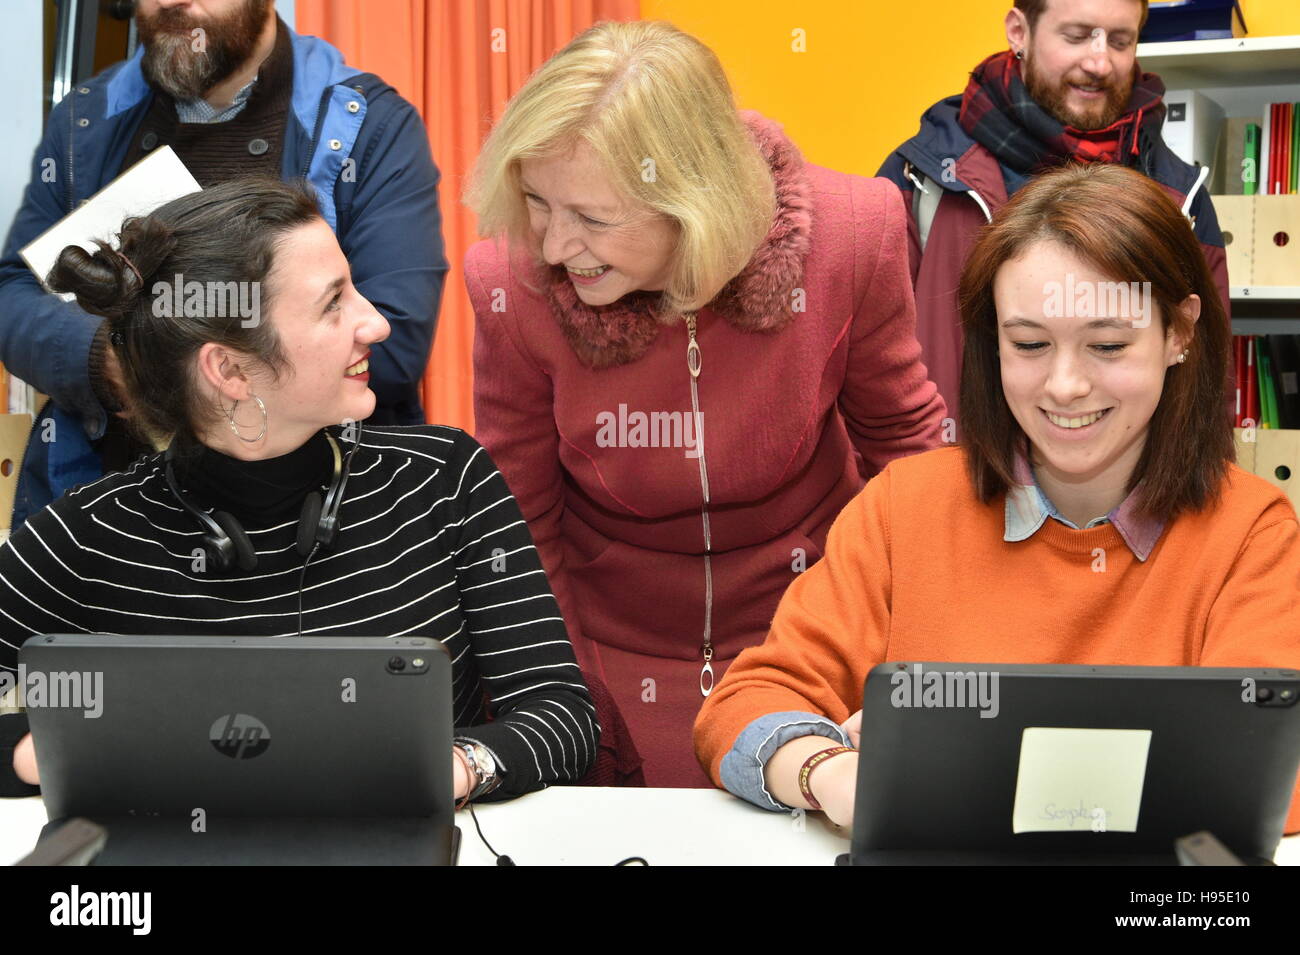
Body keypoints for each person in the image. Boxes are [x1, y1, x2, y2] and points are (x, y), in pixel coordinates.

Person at [694, 163, 1300, 833]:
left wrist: (973, 767)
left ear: (1179, 333)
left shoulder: (1251, 529)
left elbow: (1268, 770)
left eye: (1106, 344)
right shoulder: (905, 507)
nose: (1064, 384)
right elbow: (743, 706)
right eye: (1030, 343)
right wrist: (830, 772)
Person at [0, 178, 595, 803]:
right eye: (333, 303)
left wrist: (455, 767)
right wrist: (36, 750)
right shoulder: (87, 536)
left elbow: (563, 716)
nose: (376, 324)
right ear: (229, 370)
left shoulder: (444, 480)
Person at [464, 20, 946, 787]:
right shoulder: (509, 281)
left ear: (693, 198)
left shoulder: (855, 234)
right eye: (536, 202)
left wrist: (918, 661)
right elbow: (521, 528)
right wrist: (564, 702)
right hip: (609, 660)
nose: (553, 246)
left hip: (810, 649)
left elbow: (911, 462)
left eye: (592, 217)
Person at [0, 0, 448, 526]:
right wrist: (107, 358)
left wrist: (162, 364)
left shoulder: (367, 125)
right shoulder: (85, 123)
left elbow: (393, 341)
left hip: (313, 514)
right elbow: (14, 294)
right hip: (107, 497)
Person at [877, 0, 1230, 428]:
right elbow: (871, 367)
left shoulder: (1180, 198)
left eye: (1121, 41)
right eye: (1077, 36)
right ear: (1019, 32)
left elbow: (1208, 384)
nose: (1100, 62)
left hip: (1133, 488)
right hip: (951, 474)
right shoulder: (921, 176)